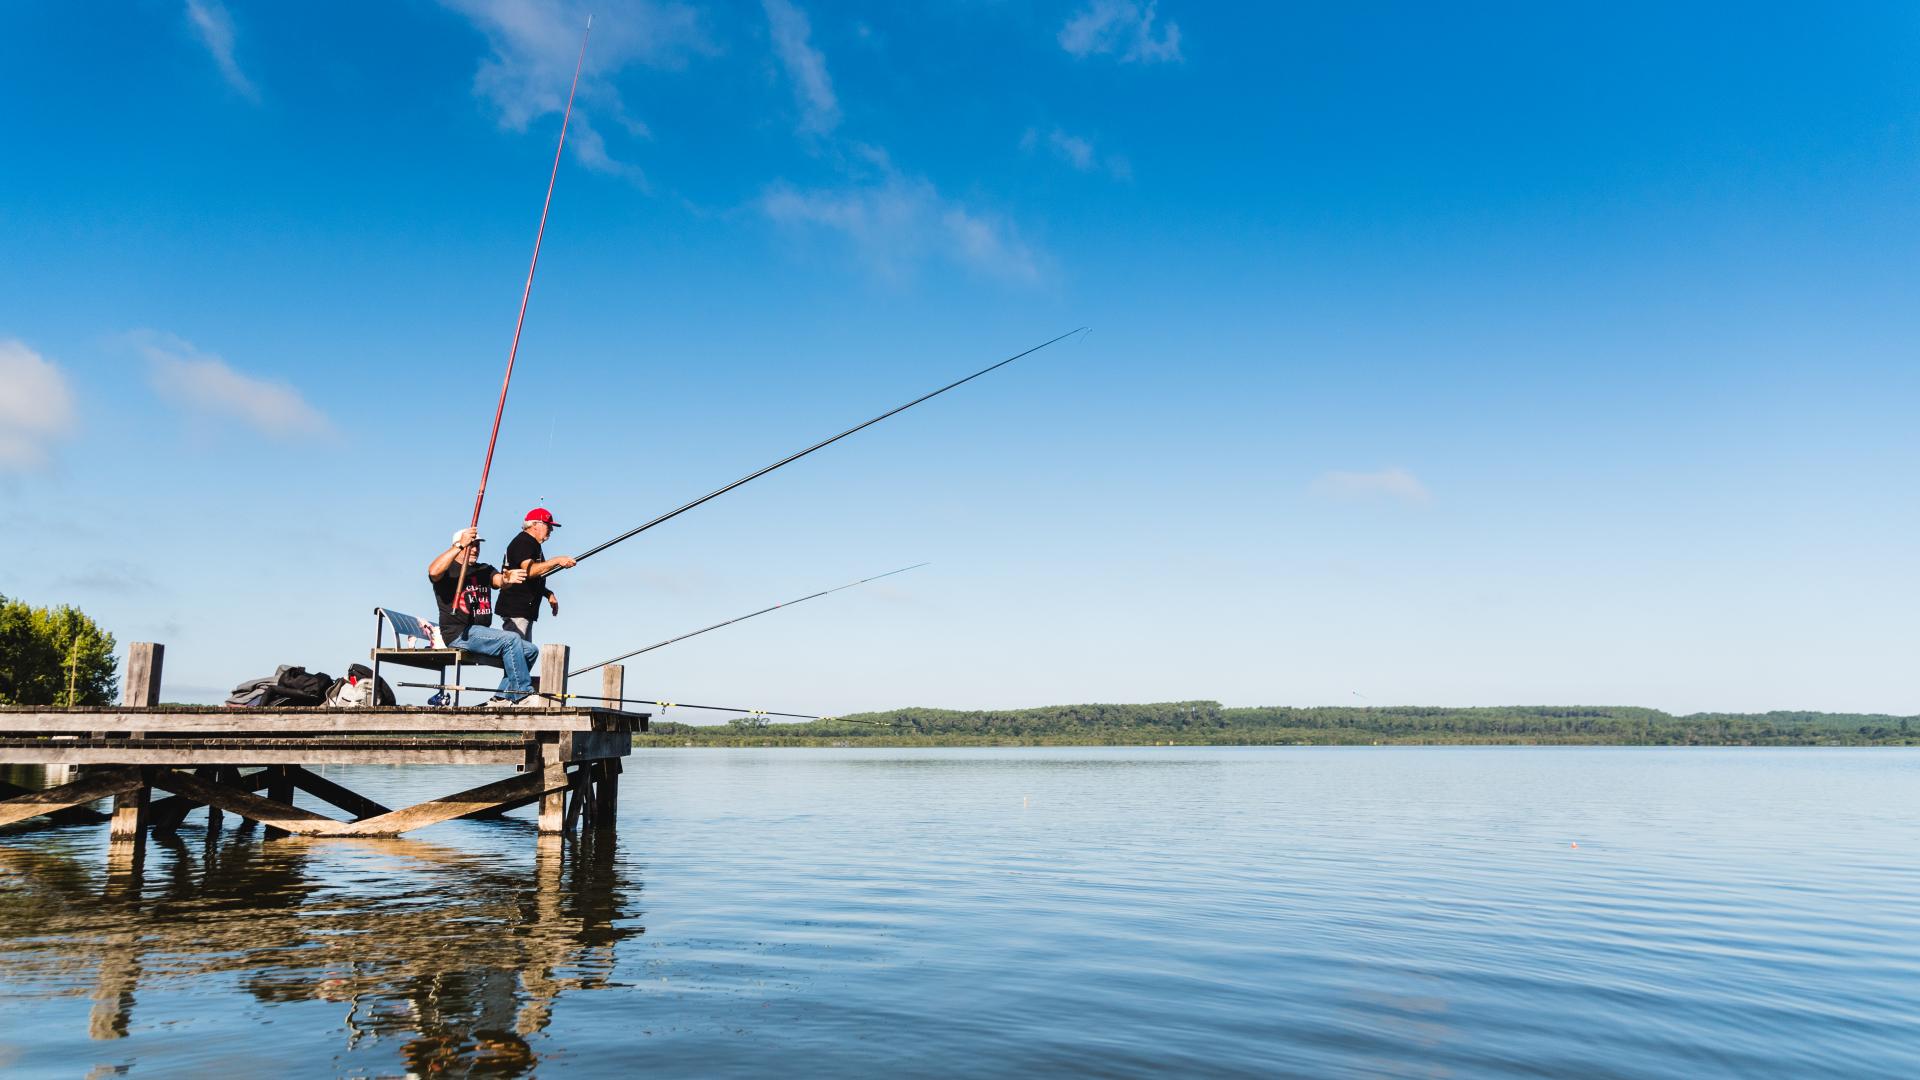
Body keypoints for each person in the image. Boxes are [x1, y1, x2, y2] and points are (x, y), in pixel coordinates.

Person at [428, 527, 537, 705]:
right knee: (510, 639)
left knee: (530, 650)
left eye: (478, 545)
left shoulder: (484, 569)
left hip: (480, 633)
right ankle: (522, 693)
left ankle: (502, 697)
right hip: (459, 633)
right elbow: (433, 571)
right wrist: (459, 545)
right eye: (472, 545)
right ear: (461, 545)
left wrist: (507, 579)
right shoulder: (448, 570)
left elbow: (499, 580)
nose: (476, 549)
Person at [497, 508, 577, 642]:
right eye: (548, 525)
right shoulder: (524, 541)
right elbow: (529, 571)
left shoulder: (531, 543)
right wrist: (557, 560)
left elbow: (529, 577)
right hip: (517, 610)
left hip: (522, 610)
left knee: (525, 653)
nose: (551, 529)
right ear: (534, 525)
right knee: (517, 653)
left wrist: (547, 593)